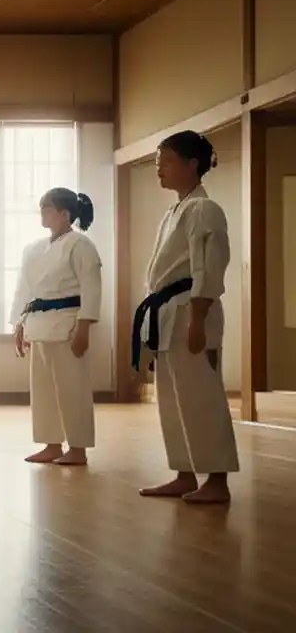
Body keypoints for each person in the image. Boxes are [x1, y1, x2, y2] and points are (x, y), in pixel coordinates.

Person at [133, 131, 237, 504]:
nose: (159, 168)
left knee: (202, 396)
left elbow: (209, 268)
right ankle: (184, 472)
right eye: (159, 161)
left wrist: (198, 316)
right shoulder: (177, 209)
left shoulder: (205, 210)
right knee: (172, 399)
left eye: (167, 161)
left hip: (194, 310)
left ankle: (218, 479)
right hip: (168, 312)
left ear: (193, 164)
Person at [11, 188, 102, 466]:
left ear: (64, 214)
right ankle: (51, 444)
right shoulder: (34, 249)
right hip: (38, 324)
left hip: (68, 323)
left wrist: (84, 326)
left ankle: (77, 448)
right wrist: (19, 325)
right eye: (41, 207)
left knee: (72, 388)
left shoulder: (80, 244)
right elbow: (24, 289)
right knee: (44, 390)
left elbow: (91, 287)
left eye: (46, 207)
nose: (42, 211)